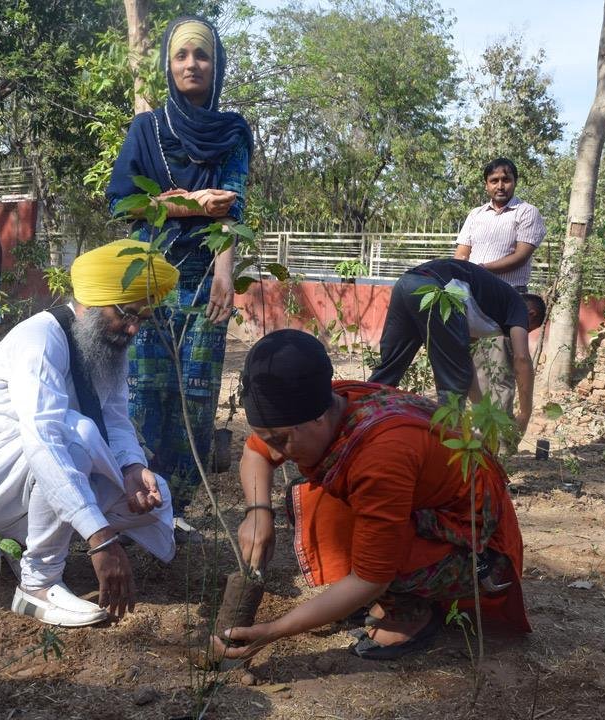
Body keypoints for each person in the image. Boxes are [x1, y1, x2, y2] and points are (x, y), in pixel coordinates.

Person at [0, 240, 180, 627]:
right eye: (127, 314)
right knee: (72, 433)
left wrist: (131, 466)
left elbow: (114, 416)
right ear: (92, 302)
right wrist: (101, 538)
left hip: (23, 473)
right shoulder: (39, 338)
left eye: (141, 318)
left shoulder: (107, 344)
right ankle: (37, 584)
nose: (133, 328)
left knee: (152, 495)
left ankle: (30, 541)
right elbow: (44, 438)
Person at [211, 330, 529, 662]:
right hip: (421, 508)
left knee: (375, 556)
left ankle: (411, 616)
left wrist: (274, 631)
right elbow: (255, 453)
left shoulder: (381, 456)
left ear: (318, 419)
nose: (276, 450)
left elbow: (371, 576)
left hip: (476, 544)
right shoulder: (330, 403)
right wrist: (259, 511)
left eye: (281, 441)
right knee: (321, 507)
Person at [106, 15, 252, 528]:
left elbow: (234, 207)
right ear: (169, 65)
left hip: (207, 280)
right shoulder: (146, 130)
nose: (193, 64)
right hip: (150, 277)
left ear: (217, 65)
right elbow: (123, 204)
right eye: (182, 55)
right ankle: (136, 500)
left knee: (196, 392)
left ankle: (178, 509)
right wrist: (190, 204)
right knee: (146, 388)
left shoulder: (233, 131)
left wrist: (225, 274)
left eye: (203, 55)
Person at [368, 259, 545, 435]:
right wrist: (525, 413)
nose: (524, 331)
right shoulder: (519, 306)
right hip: (435, 289)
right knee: (451, 390)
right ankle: (444, 444)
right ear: (531, 314)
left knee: (389, 368)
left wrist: (480, 412)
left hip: (407, 283)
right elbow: (522, 358)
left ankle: (360, 419)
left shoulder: (488, 307)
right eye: (529, 328)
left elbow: (463, 361)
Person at [454, 158, 546, 418]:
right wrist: (460, 271)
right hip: (470, 300)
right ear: (486, 185)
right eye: (494, 181)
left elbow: (521, 256)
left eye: (506, 180)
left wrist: (480, 270)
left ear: (515, 182)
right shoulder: (475, 215)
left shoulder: (526, 212)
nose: (500, 185)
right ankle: (471, 431)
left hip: (506, 302)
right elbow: (461, 253)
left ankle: (500, 445)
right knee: (465, 368)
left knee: (498, 372)